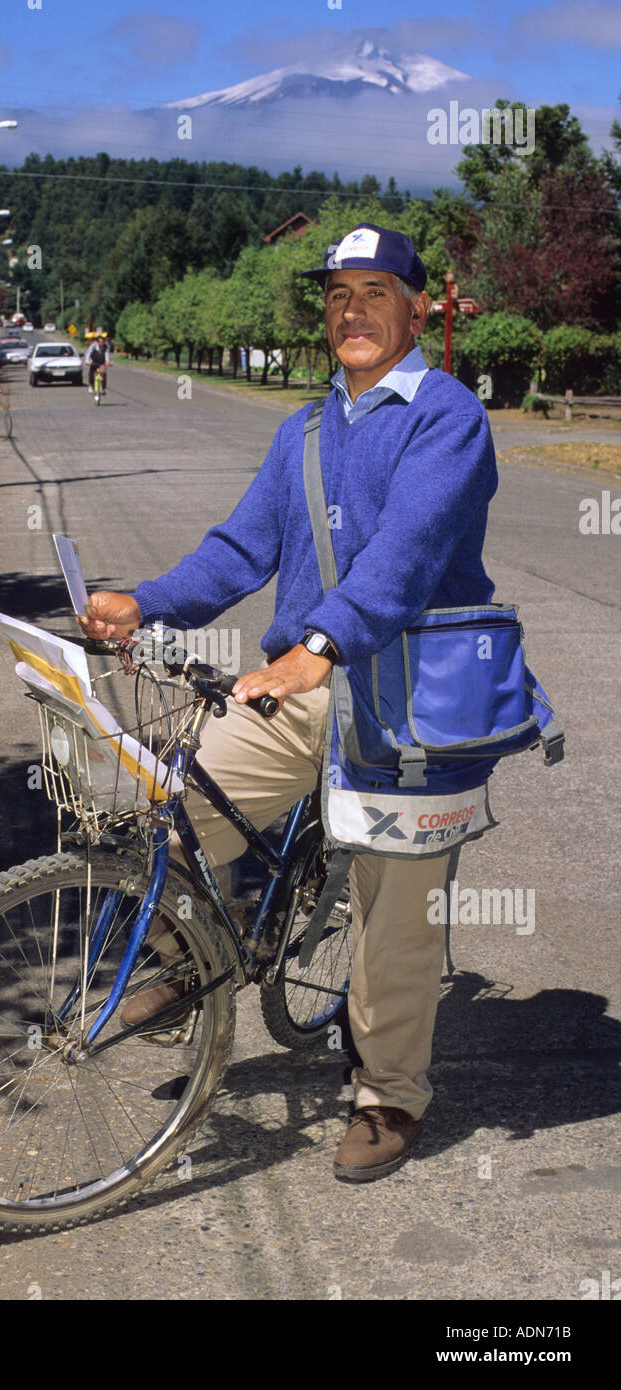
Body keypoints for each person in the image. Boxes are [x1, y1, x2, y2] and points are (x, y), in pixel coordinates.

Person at [79, 223, 500, 1184]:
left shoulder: (448, 418)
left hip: (410, 702)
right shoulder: (305, 428)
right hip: (299, 689)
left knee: (394, 914)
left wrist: (316, 645)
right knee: (180, 806)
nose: (352, 311)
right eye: (337, 295)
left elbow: (404, 558)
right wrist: (144, 599)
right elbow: (239, 550)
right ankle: (194, 959)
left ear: (414, 307)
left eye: (374, 293)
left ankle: (389, 1093)